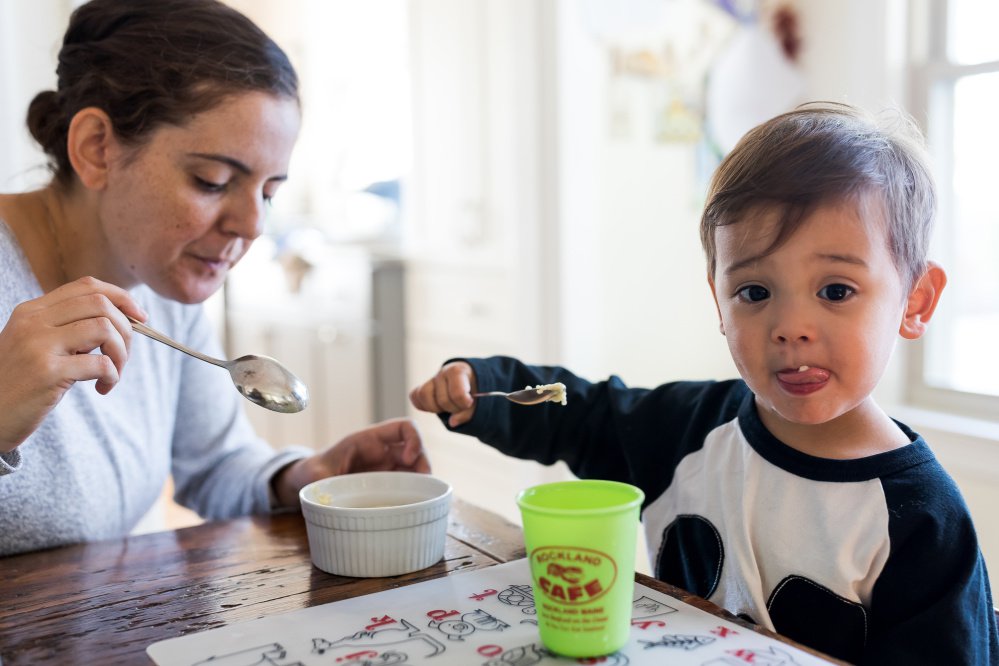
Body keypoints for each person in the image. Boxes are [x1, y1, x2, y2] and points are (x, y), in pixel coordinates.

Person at [409, 102, 998, 664]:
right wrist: (482, 386)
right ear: (719, 302)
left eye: (835, 291)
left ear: (915, 301)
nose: (790, 328)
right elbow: (581, 415)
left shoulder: (923, 523)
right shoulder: (689, 430)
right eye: (755, 293)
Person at [0, 0, 428, 558]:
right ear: (96, 148)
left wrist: (306, 475)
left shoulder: (159, 279)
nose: (253, 225)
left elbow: (216, 464)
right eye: (212, 180)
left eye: (269, 192)